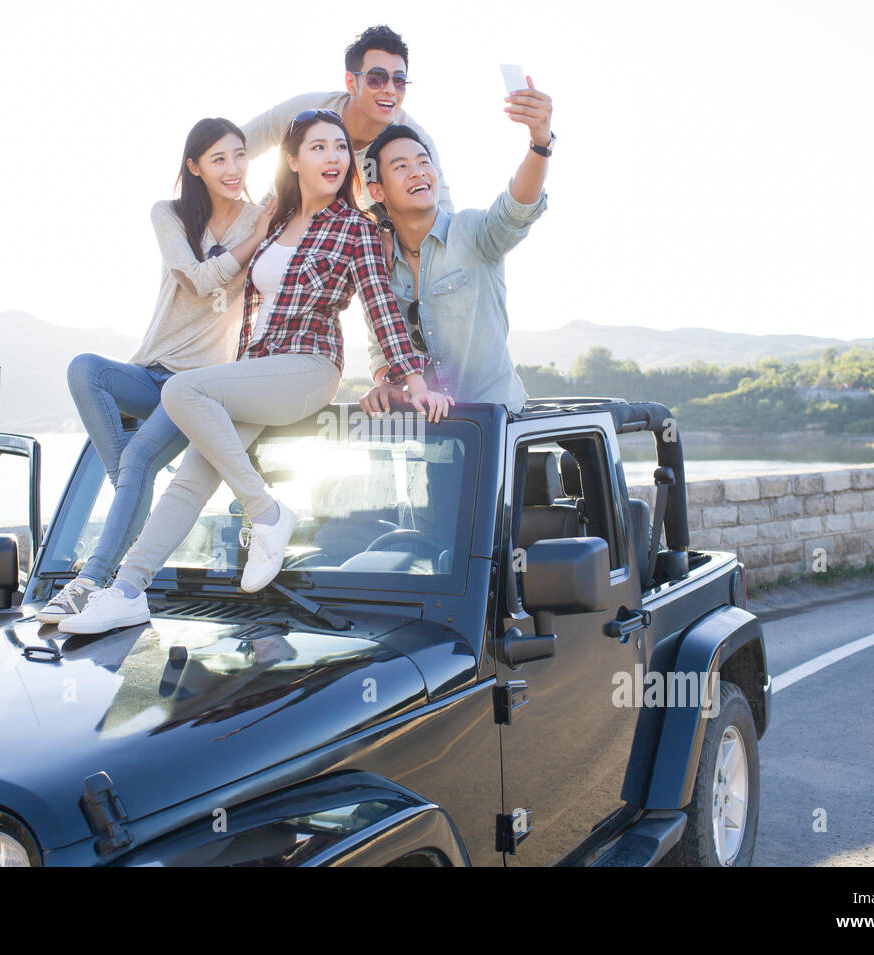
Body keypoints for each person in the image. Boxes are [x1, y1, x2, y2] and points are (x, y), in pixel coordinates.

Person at [57, 109, 452, 635]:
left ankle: (265, 513)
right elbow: (221, 283)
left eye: (340, 147)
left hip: (309, 368)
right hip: (258, 369)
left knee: (182, 388)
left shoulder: (356, 228)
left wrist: (414, 382)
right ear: (293, 159)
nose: (333, 156)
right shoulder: (272, 225)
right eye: (318, 147)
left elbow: (379, 307)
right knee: (193, 477)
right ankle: (127, 589)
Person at [36, 117, 274, 622]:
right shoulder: (169, 214)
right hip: (149, 373)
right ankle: (132, 484)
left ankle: (90, 581)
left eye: (239, 155)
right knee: (85, 370)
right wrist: (253, 239)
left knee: (140, 456)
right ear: (194, 167)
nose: (233, 168)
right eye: (218, 159)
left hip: (195, 389)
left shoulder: (261, 215)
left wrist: (259, 229)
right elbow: (195, 279)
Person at [357, 77, 555, 416]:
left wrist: (539, 144)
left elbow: (516, 208)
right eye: (401, 167)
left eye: (423, 162)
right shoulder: (379, 261)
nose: (417, 172)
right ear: (378, 192)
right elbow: (380, 345)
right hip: (439, 438)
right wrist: (384, 382)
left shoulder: (472, 233)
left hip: (501, 428)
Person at [240, 25, 452, 215]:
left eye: (399, 81)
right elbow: (235, 145)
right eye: (376, 78)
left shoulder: (412, 141)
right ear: (351, 82)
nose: (389, 90)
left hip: (350, 237)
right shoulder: (307, 112)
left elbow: (441, 207)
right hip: (279, 215)